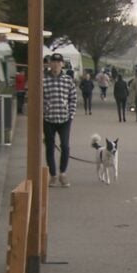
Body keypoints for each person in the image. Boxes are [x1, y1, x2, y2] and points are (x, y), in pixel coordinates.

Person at [43, 53, 77, 188]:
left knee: (65, 146)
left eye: (58, 62)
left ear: (62, 64)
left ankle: (63, 173)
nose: (56, 64)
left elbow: (73, 98)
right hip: (48, 119)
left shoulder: (67, 80)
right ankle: (53, 175)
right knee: (50, 147)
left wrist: (71, 115)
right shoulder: (43, 79)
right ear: (49, 64)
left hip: (64, 119)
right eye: (53, 62)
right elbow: (38, 98)